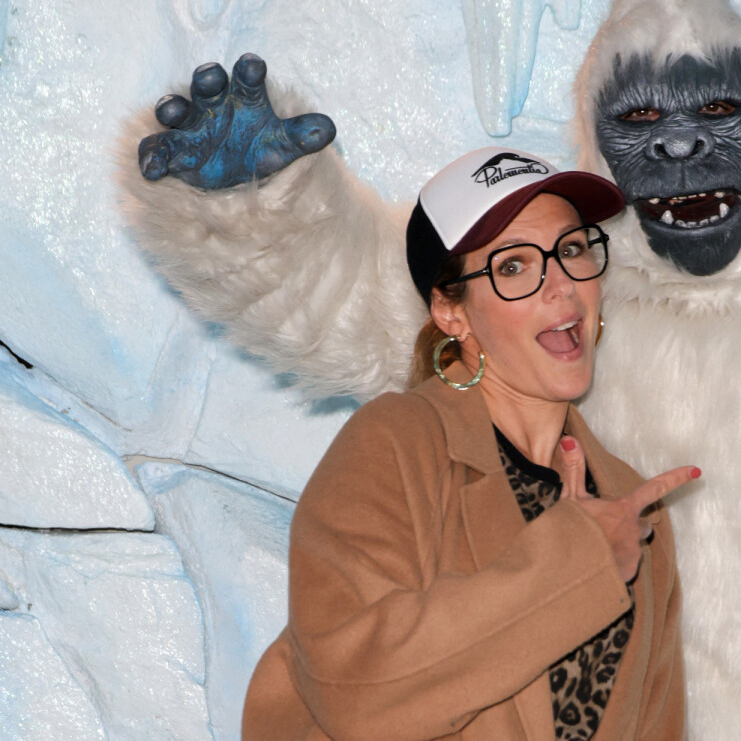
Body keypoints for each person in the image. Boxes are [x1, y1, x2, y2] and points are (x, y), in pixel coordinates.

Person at [240, 146, 700, 741]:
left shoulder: (630, 504)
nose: (561, 286)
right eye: (513, 267)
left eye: (571, 249)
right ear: (450, 311)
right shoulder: (394, 444)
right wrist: (577, 563)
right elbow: (353, 687)